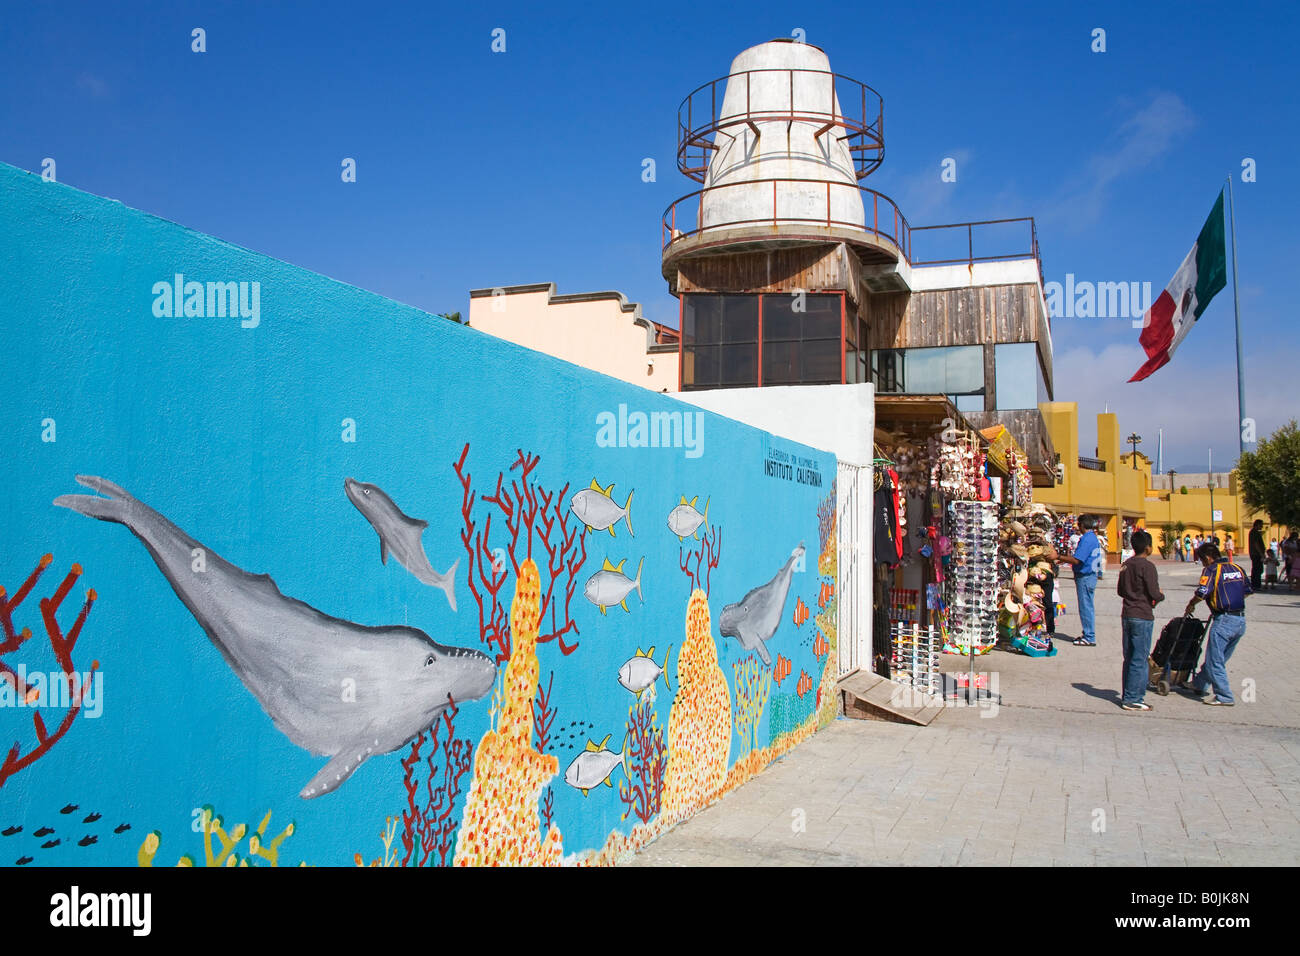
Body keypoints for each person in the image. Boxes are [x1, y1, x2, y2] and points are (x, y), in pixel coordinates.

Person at [1185, 542, 1252, 705]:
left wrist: (1191, 604)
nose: (1202, 563)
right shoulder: (1237, 567)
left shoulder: (1211, 570)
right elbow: (1247, 591)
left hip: (1224, 619)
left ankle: (1224, 696)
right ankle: (1199, 684)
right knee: (1219, 658)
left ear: (1207, 558)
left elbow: (1202, 592)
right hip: (1240, 620)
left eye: (1202, 559)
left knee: (1215, 660)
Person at [1116, 530, 1164, 711]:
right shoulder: (1147, 566)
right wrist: (1160, 596)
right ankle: (1134, 698)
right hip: (1142, 614)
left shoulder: (1126, 564)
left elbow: (1120, 590)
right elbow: (1153, 592)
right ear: (1148, 547)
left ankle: (1127, 694)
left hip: (1127, 613)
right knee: (1140, 658)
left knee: (1129, 658)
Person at [1061, 514, 1103, 646]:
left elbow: (1077, 559)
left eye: (1078, 525)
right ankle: (1088, 634)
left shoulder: (1087, 539)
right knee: (1087, 605)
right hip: (1090, 576)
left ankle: (1089, 636)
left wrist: (1059, 557)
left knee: (1085, 606)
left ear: (1083, 525)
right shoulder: (1092, 538)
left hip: (1086, 576)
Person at [1248, 519, 1266, 591]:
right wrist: (1261, 553)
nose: (1262, 526)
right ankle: (1256, 585)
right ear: (1257, 524)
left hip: (1255, 553)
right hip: (1256, 554)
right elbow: (1256, 544)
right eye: (1261, 525)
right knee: (1257, 569)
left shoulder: (1254, 532)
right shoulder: (1254, 532)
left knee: (1257, 569)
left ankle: (1255, 584)